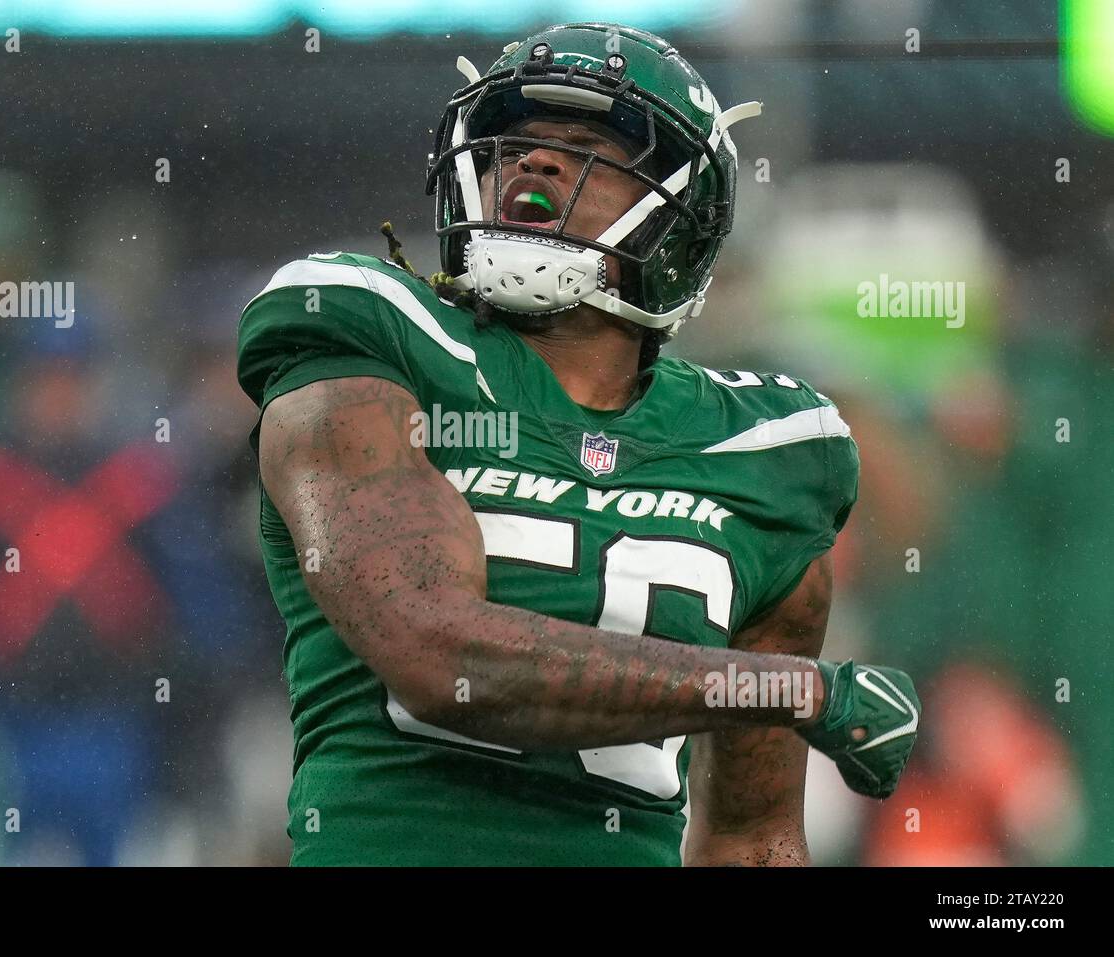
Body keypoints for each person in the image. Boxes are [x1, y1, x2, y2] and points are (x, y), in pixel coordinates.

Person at [237, 22, 920, 866]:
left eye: (589, 144)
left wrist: (776, 692)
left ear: (682, 222)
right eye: (513, 143)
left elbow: (750, 837)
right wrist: (785, 690)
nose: (533, 163)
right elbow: (435, 650)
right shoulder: (373, 340)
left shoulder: (769, 450)